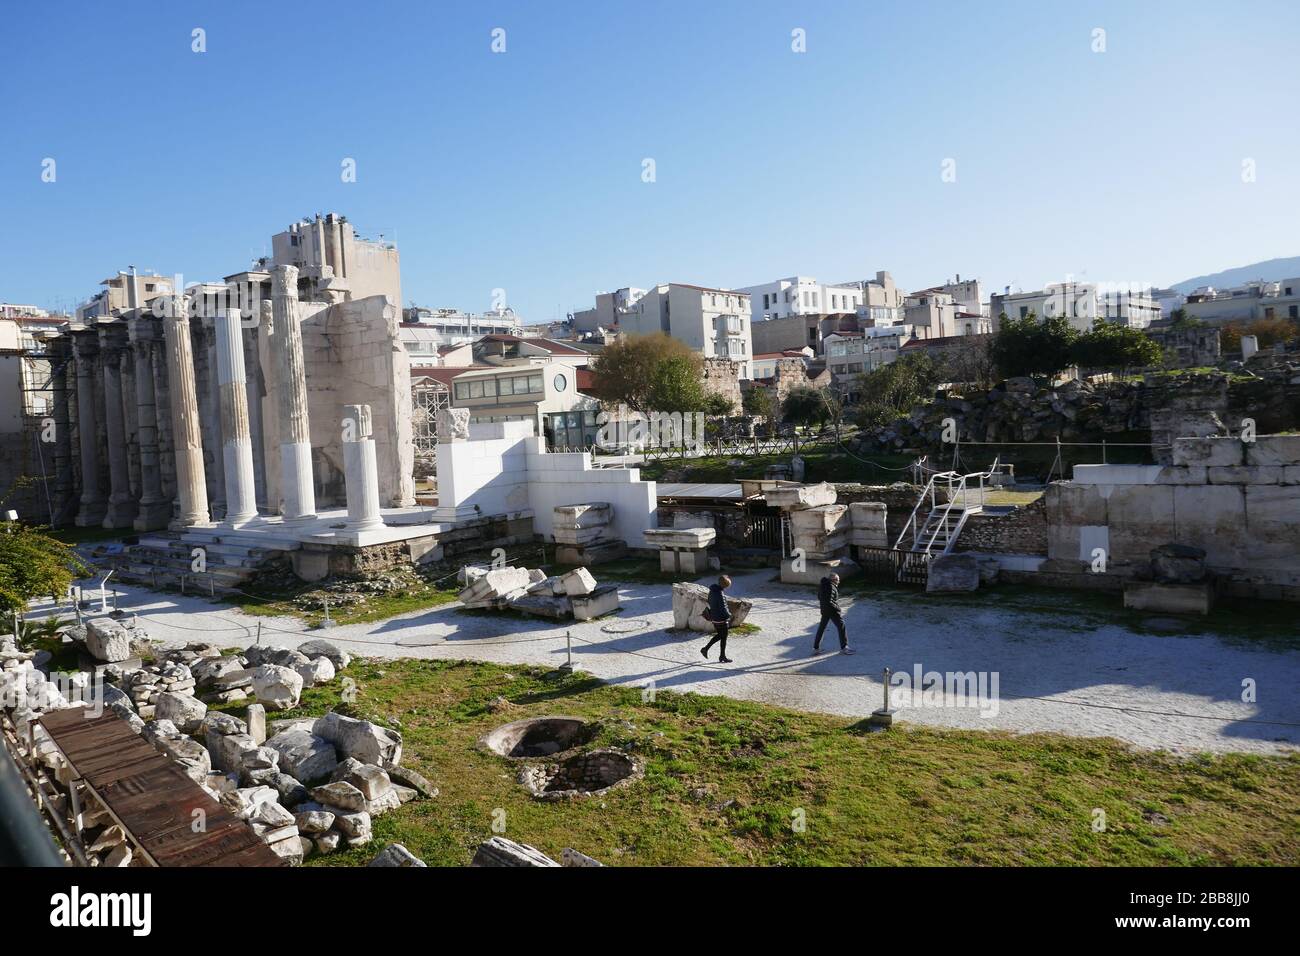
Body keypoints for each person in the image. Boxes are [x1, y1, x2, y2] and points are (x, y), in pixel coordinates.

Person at [813, 572, 855, 655]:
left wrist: (825, 606)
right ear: (834, 580)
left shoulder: (823, 585)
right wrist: (837, 609)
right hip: (831, 610)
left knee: (822, 627)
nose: (839, 582)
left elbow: (819, 597)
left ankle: (816, 648)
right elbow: (830, 601)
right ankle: (844, 648)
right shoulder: (831, 587)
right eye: (838, 580)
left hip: (824, 609)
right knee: (841, 625)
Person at [701, 574, 734, 664]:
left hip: (714, 618)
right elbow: (723, 608)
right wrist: (730, 615)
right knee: (723, 637)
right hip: (721, 618)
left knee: (721, 635)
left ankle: (718, 654)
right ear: (725, 585)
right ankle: (718, 654)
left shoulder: (712, 591)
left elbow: (710, 602)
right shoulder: (720, 593)